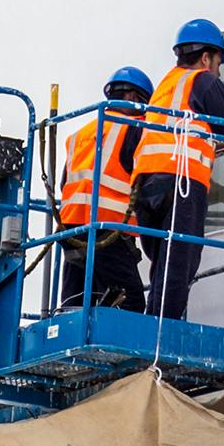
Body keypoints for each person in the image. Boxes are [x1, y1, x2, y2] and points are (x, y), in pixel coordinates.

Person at [128, 19, 224, 321]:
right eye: (219, 62)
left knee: (163, 263)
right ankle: (162, 333)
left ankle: (151, 327)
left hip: (147, 186)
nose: (219, 71)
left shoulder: (165, 86)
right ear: (206, 57)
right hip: (180, 180)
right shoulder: (202, 80)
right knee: (179, 261)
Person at [56, 67, 152, 310]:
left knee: (74, 305)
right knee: (130, 304)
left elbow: (63, 184)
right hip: (107, 230)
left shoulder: (80, 135)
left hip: (71, 232)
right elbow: (148, 181)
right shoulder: (134, 128)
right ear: (133, 98)